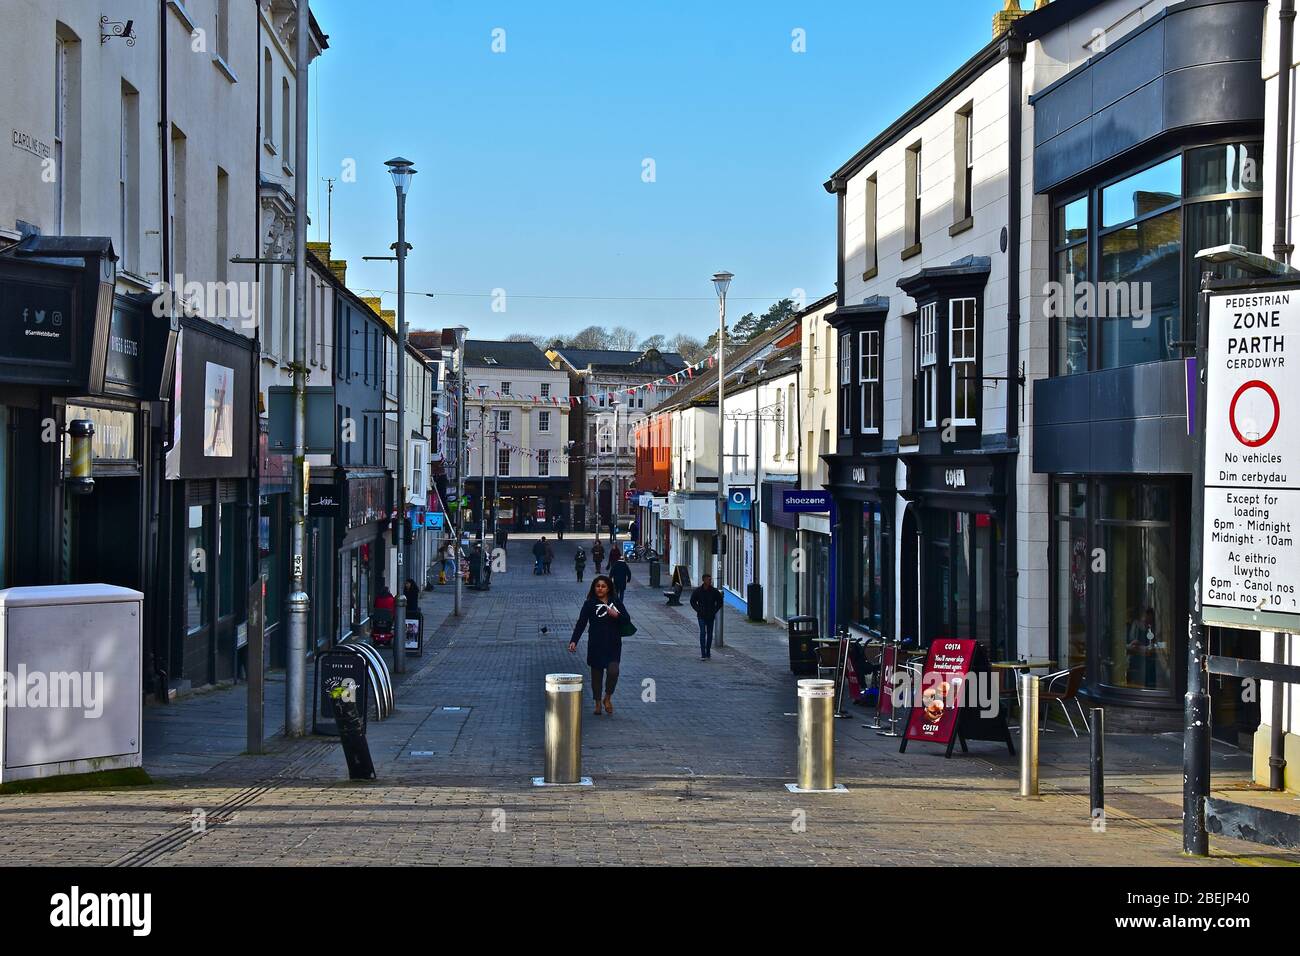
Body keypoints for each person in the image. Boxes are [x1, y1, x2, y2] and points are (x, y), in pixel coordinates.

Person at [568, 575, 632, 716]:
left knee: (613, 671)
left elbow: (627, 619)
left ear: (608, 588)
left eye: (603, 586)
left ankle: (607, 698)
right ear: (594, 588)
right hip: (596, 644)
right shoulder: (589, 604)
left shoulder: (615, 602)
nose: (600, 589)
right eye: (598, 586)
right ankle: (597, 703)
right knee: (596, 676)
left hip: (613, 644)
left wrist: (616, 615)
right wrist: (574, 641)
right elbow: (581, 623)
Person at [690, 573, 724, 660]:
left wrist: (714, 610)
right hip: (701, 615)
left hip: (710, 615)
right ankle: (703, 653)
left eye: (710, 579)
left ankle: (708, 651)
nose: (710, 581)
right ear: (704, 580)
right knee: (702, 633)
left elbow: (720, 601)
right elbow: (692, 601)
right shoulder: (698, 591)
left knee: (709, 634)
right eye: (709, 580)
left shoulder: (714, 591)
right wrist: (698, 609)